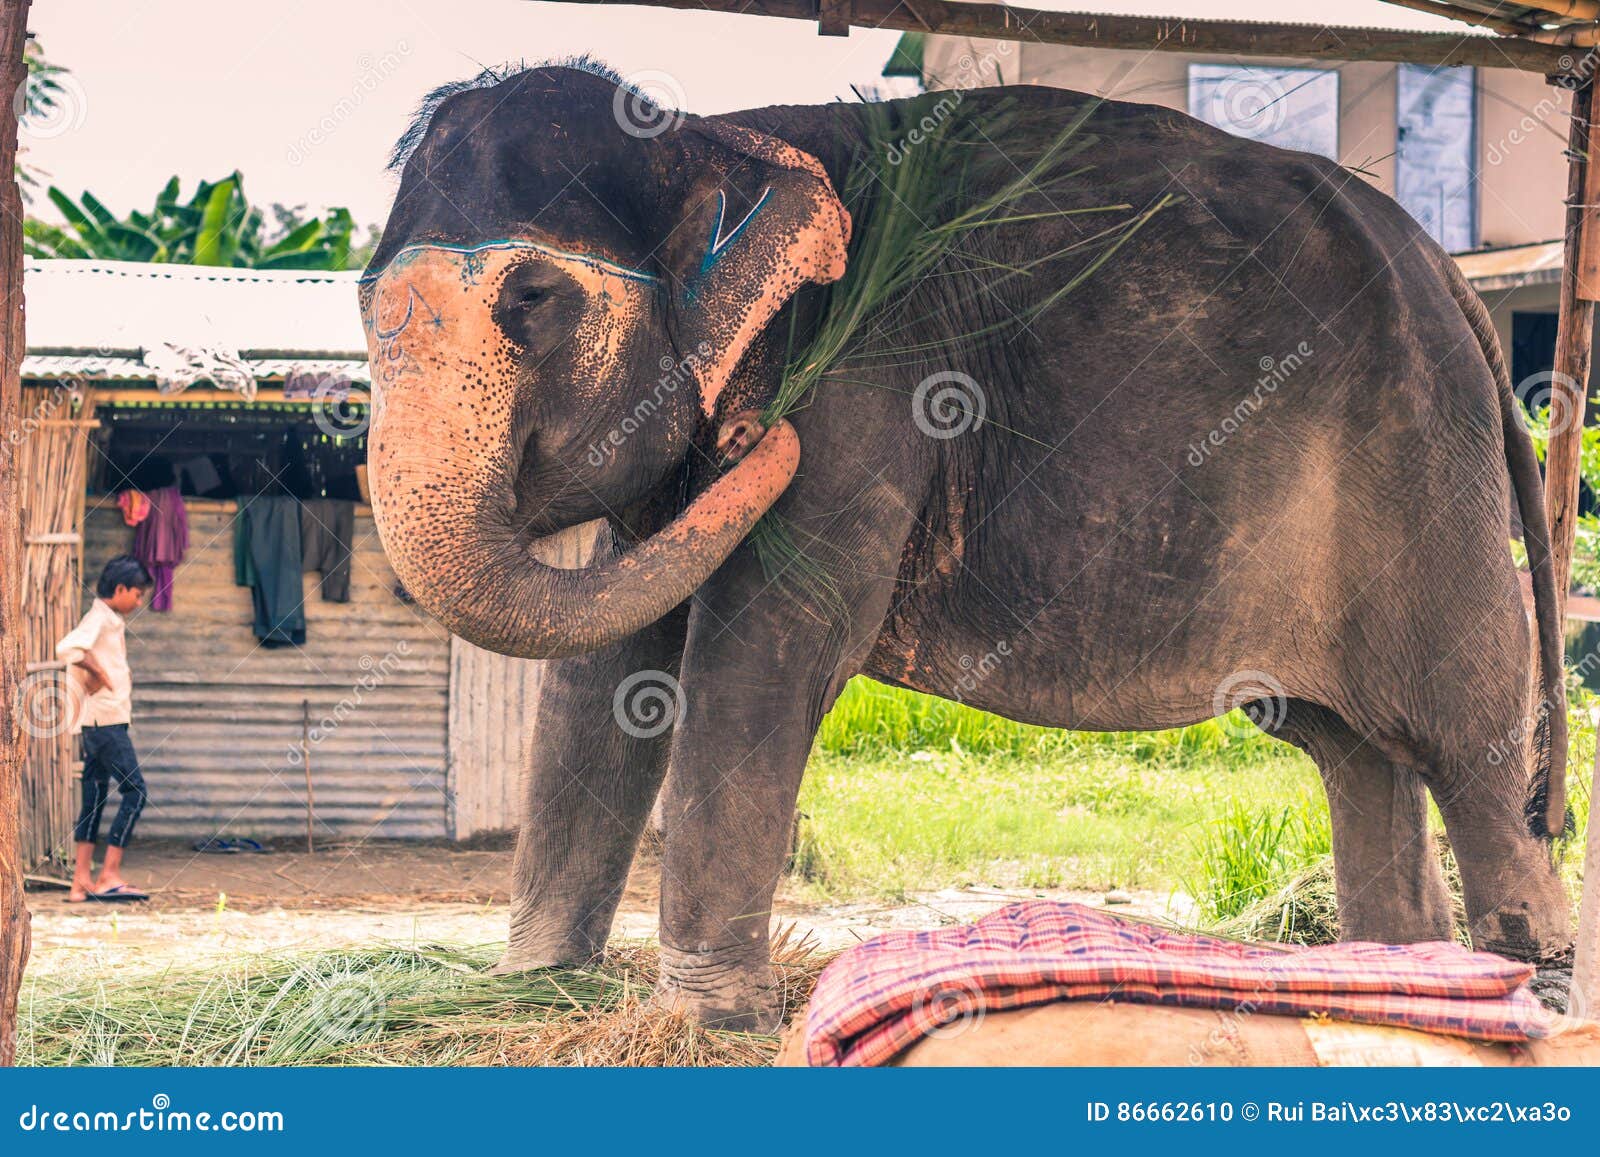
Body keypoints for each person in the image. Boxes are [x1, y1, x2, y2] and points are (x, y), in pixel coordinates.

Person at [57, 555, 153, 903]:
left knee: (94, 800)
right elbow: (67, 648)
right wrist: (98, 673)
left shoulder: (109, 619)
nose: (139, 601)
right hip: (107, 724)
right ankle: (109, 874)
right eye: (138, 594)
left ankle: (80, 881)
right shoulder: (99, 617)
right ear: (121, 588)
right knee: (136, 792)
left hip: (96, 725)